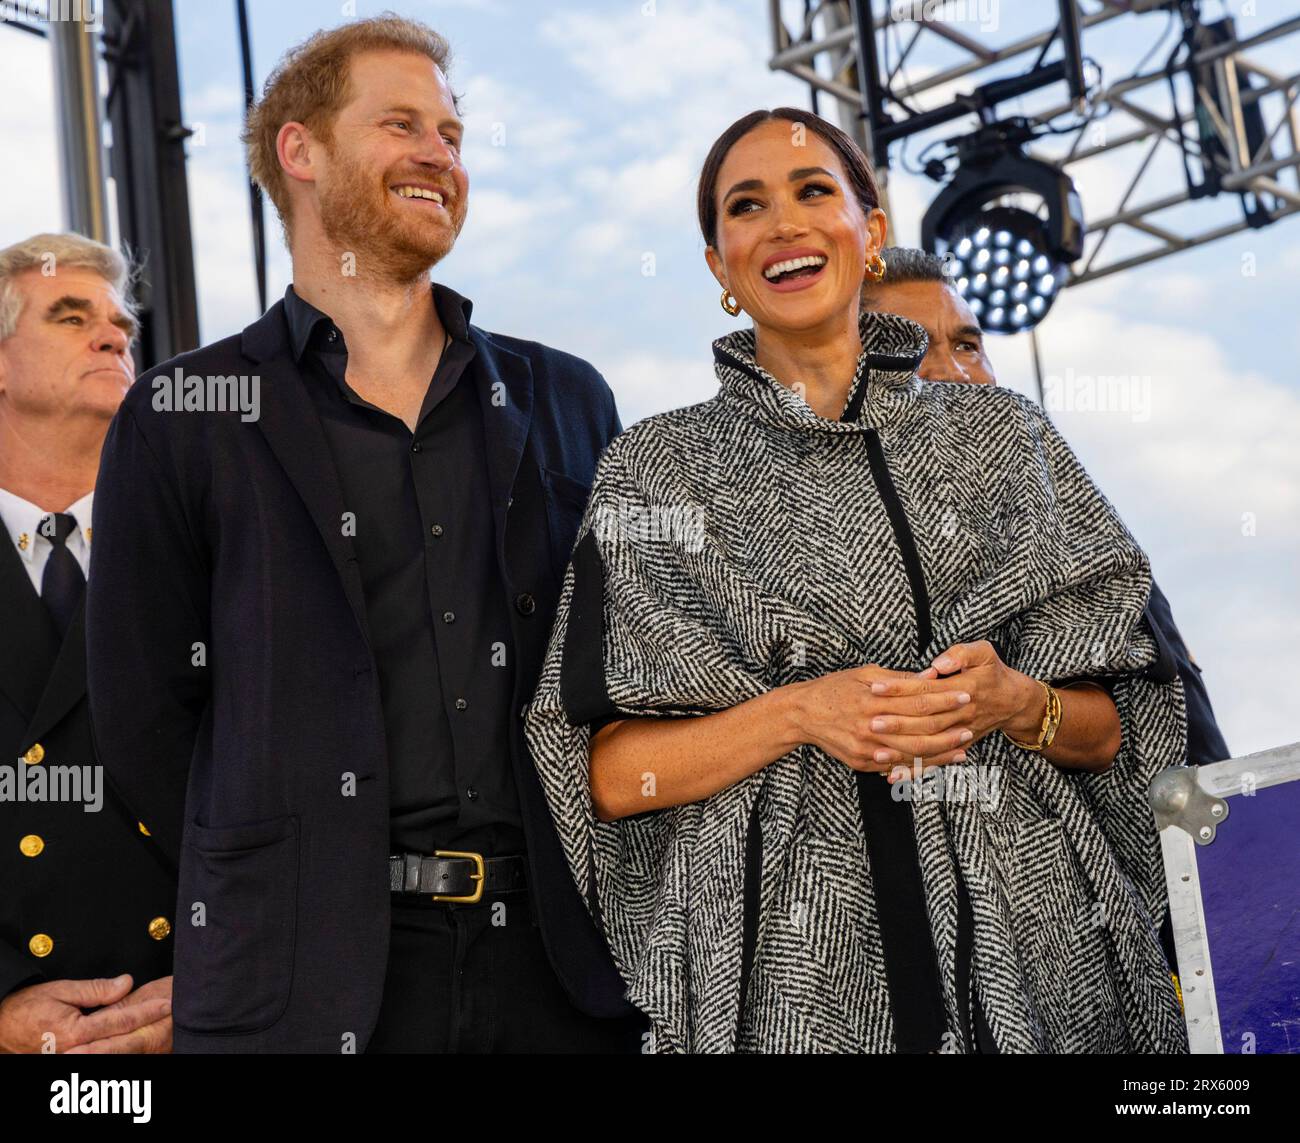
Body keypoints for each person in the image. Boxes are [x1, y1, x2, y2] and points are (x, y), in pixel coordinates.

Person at [525, 109, 1190, 1053]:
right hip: (792, 978)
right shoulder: (658, 469)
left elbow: (1125, 728)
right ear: (719, 266)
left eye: (813, 192)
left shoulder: (1003, 436)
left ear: (870, 231)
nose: (785, 224)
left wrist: (1015, 700)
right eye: (745, 206)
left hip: (1041, 956)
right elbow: (607, 774)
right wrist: (799, 713)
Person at [86, 16, 641, 1053]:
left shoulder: (568, 398)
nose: (442, 153)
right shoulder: (178, 415)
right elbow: (145, 723)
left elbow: (624, 676)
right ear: (301, 151)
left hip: (562, 982)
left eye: (452, 132)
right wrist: (281, 880)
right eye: (401, 123)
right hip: (298, 989)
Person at [861, 245, 1230, 768]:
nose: (954, 373)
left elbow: (1148, 718)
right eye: (916, 350)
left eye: (967, 346)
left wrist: (1024, 703)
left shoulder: (1064, 508)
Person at [0, 233, 174, 1054]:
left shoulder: (203, 555)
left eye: (119, 324)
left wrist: (226, 978)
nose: (113, 336)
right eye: (71, 317)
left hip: (195, 1011)